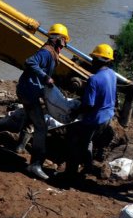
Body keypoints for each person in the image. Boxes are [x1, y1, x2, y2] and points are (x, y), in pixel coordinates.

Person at [15, 23, 69, 180]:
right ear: (59, 40)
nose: (65, 45)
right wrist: (45, 77)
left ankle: (20, 145)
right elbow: (30, 62)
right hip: (29, 91)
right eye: (64, 41)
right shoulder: (46, 52)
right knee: (41, 127)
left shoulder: (51, 52)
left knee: (30, 114)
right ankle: (35, 164)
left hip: (28, 89)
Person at [61, 44, 116, 182]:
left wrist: (74, 112)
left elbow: (89, 105)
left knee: (74, 140)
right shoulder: (112, 74)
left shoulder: (94, 79)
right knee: (87, 141)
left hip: (94, 119)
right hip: (107, 116)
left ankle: (70, 174)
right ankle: (88, 166)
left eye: (93, 59)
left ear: (98, 61)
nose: (91, 61)